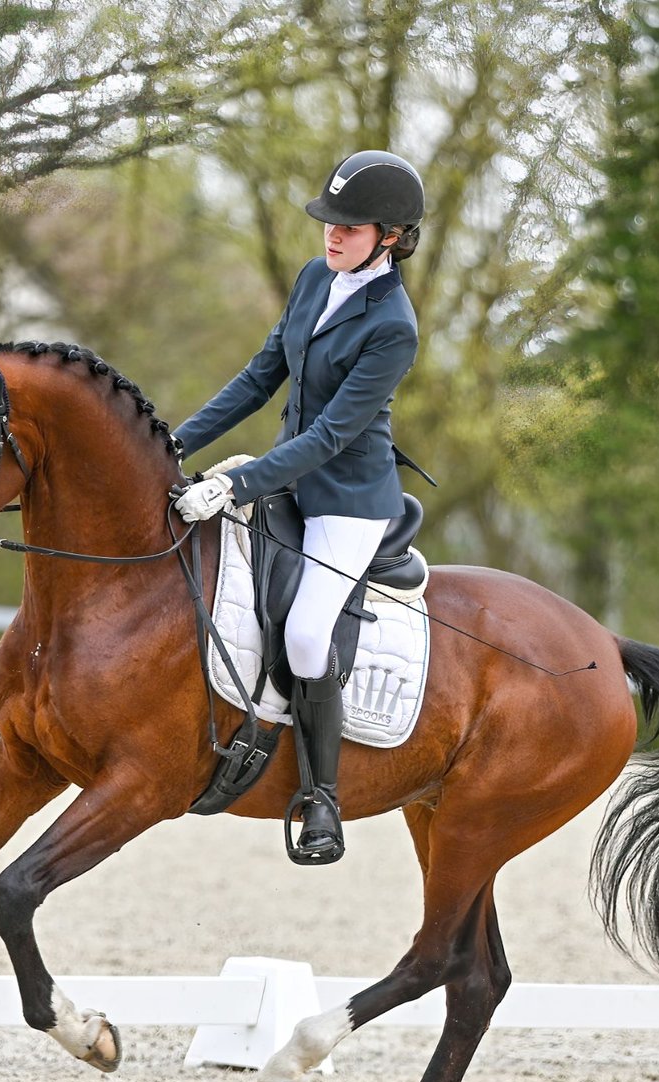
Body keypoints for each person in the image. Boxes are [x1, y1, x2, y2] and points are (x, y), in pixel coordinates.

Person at [171, 149, 425, 865]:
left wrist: (236, 484)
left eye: (351, 226)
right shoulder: (316, 278)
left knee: (309, 635)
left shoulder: (394, 325)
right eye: (329, 222)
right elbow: (259, 377)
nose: (332, 234)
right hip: (286, 478)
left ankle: (321, 799)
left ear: (390, 237)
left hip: (347, 500)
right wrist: (172, 442)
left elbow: (332, 435)